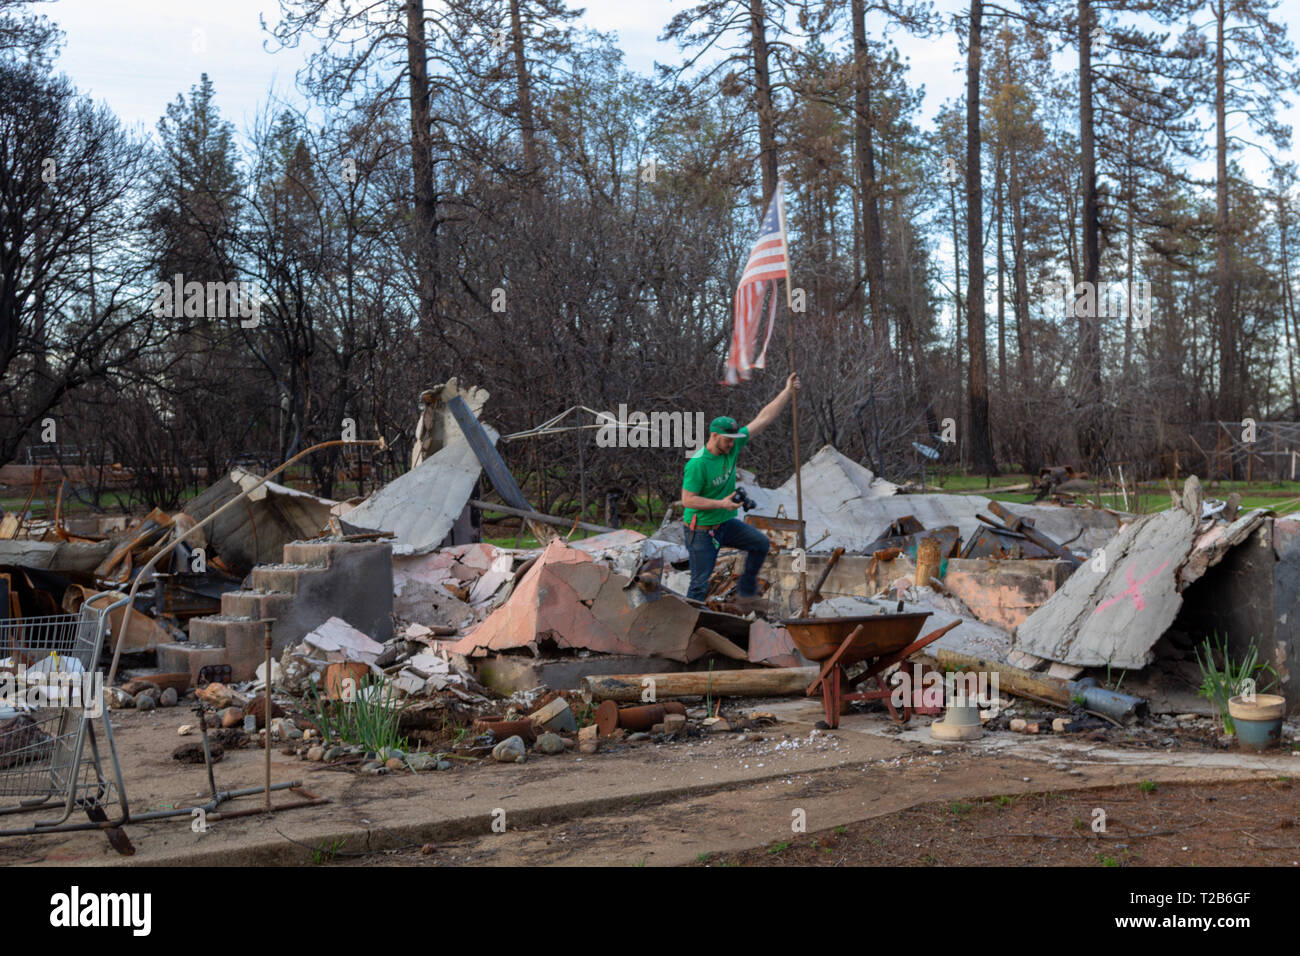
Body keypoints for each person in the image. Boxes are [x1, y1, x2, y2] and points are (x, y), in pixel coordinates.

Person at [681, 373, 800, 607]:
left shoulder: (731, 446)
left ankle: (747, 595)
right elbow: (688, 500)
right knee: (699, 584)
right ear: (714, 436)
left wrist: (787, 392)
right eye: (727, 440)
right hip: (702, 531)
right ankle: (688, 627)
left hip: (725, 524)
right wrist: (721, 504)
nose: (732, 444)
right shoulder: (698, 464)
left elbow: (763, 419)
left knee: (760, 544)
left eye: (735, 439)